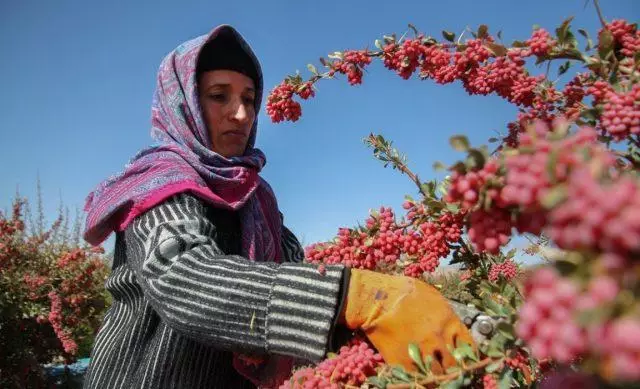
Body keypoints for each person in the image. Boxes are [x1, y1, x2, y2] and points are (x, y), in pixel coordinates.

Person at [82, 25, 474, 389]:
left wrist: (370, 330)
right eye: (219, 96)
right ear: (183, 103)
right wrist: (359, 296)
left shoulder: (257, 198)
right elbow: (185, 278)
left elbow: (289, 272)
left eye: (249, 99)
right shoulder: (160, 185)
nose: (241, 114)